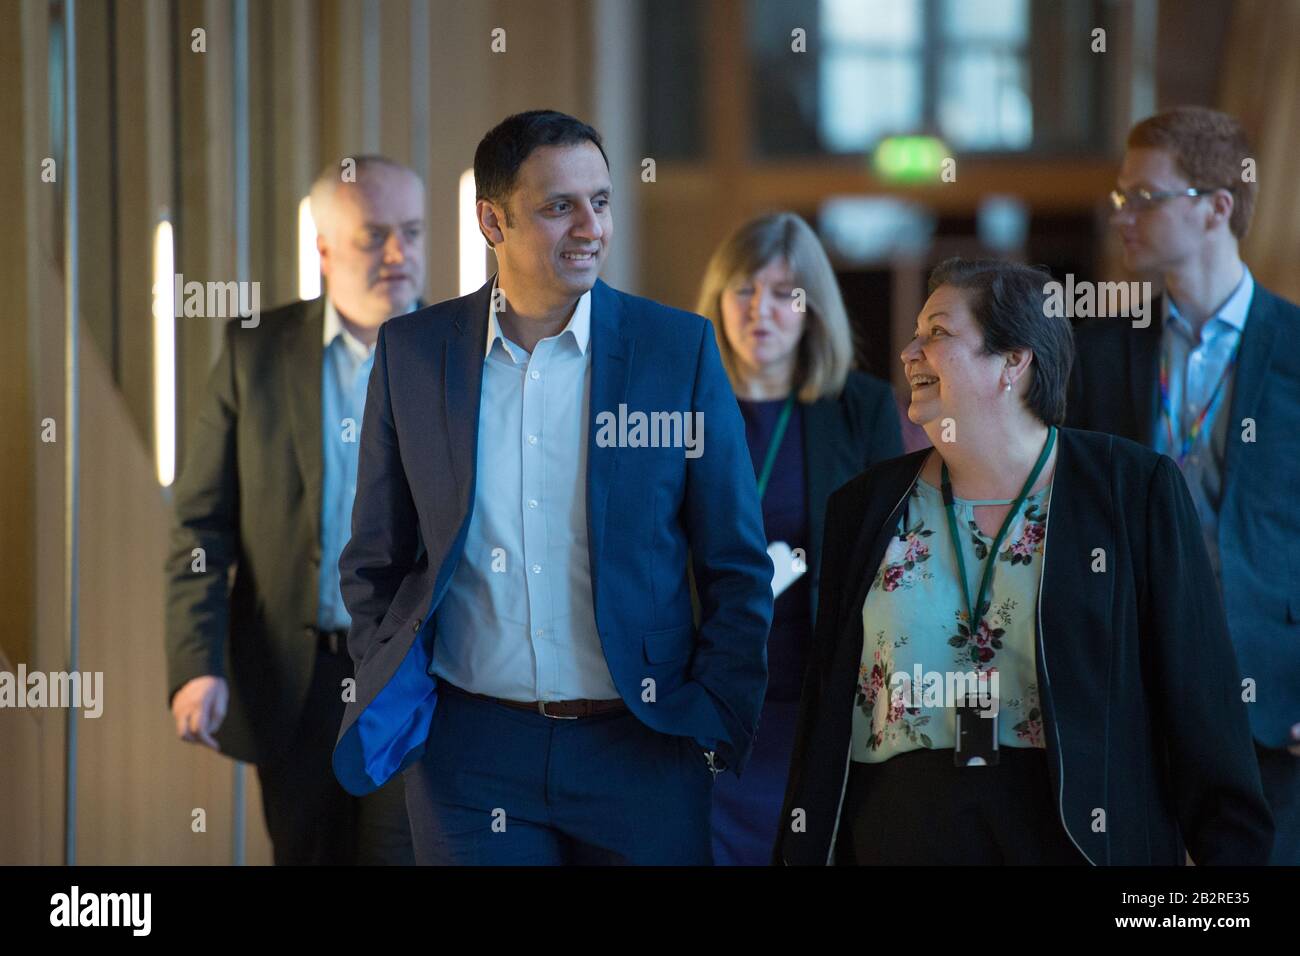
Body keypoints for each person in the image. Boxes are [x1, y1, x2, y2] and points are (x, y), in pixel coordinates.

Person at [331, 110, 773, 865]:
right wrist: (406, 695)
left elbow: (736, 562)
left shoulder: (677, 352)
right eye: (558, 206)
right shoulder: (414, 354)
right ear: (491, 221)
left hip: (645, 745)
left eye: (600, 201)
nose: (589, 226)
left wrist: (711, 720)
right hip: (472, 756)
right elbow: (377, 555)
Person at [776, 257, 1273, 865]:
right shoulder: (864, 507)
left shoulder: (1130, 491)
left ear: (1014, 360)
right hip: (895, 835)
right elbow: (823, 722)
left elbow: (1204, 711)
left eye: (937, 333)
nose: (909, 352)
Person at [165, 155, 424, 865]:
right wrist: (196, 662)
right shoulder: (257, 352)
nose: (400, 254)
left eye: (413, 231)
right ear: (324, 248)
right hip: (294, 681)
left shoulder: (459, 356)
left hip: (411, 677)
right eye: (375, 236)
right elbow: (200, 524)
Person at [1067, 106, 1300, 865]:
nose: (1123, 214)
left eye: (1144, 197)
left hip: (1275, 701)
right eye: (1119, 197)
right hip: (1134, 698)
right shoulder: (1099, 349)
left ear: (1216, 208)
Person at [694, 211, 901, 865]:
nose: (762, 311)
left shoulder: (859, 409)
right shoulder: (680, 406)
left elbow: (892, 556)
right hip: (703, 702)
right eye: (744, 290)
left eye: (786, 294)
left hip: (813, 704)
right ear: (718, 300)